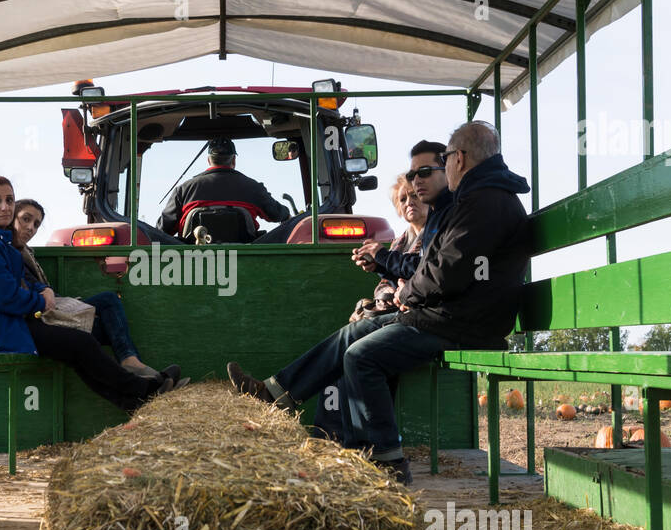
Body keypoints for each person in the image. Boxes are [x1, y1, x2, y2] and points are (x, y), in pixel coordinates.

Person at [227, 121, 530, 484]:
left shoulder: (482, 203)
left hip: (463, 323)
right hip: (452, 314)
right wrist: (408, 291)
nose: (418, 182)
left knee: (362, 356)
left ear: (459, 159)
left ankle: (386, 460)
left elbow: (447, 271)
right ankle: (279, 394)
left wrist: (405, 294)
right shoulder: (478, 199)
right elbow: (439, 268)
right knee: (354, 334)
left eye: (442, 160)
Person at [0, 176, 183, 411]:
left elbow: (17, 281)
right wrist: (41, 302)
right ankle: (145, 390)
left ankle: (133, 401)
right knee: (81, 343)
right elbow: (6, 297)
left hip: (4, 323)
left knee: (80, 346)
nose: (4, 207)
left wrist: (40, 291)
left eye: (9, 200)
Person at [11, 197, 168, 380]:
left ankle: (132, 364)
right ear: (12, 218)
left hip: (49, 305)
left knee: (109, 304)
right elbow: (26, 283)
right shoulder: (10, 250)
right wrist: (46, 291)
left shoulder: (24, 250)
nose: (31, 228)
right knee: (109, 323)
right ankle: (135, 369)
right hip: (39, 315)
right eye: (25, 219)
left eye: (36, 224)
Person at [349, 141, 449, 322]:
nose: (409, 202)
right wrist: (377, 265)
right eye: (402, 199)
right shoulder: (398, 242)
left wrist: (382, 256)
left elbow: (423, 270)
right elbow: (396, 275)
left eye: (413, 195)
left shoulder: (440, 229)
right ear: (398, 209)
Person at [157, 138, 290, 239]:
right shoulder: (254, 187)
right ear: (233, 160)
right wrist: (287, 213)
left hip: (191, 260)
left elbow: (163, 230)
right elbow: (277, 214)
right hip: (244, 258)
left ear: (209, 160)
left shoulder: (184, 190)